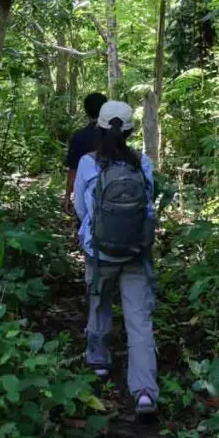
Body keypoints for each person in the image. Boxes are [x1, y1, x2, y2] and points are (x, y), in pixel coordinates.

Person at [73, 100, 159, 416]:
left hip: (99, 252)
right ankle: (145, 393)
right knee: (139, 319)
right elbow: (148, 206)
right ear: (130, 130)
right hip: (136, 252)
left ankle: (98, 362)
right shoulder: (142, 163)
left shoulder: (87, 163)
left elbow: (82, 210)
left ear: (99, 126)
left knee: (100, 303)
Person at [65, 92, 108, 213]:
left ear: (86, 111)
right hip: (117, 195)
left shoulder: (79, 137)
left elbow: (73, 171)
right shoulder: (114, 136)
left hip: (88, 197)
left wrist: (68, 197)